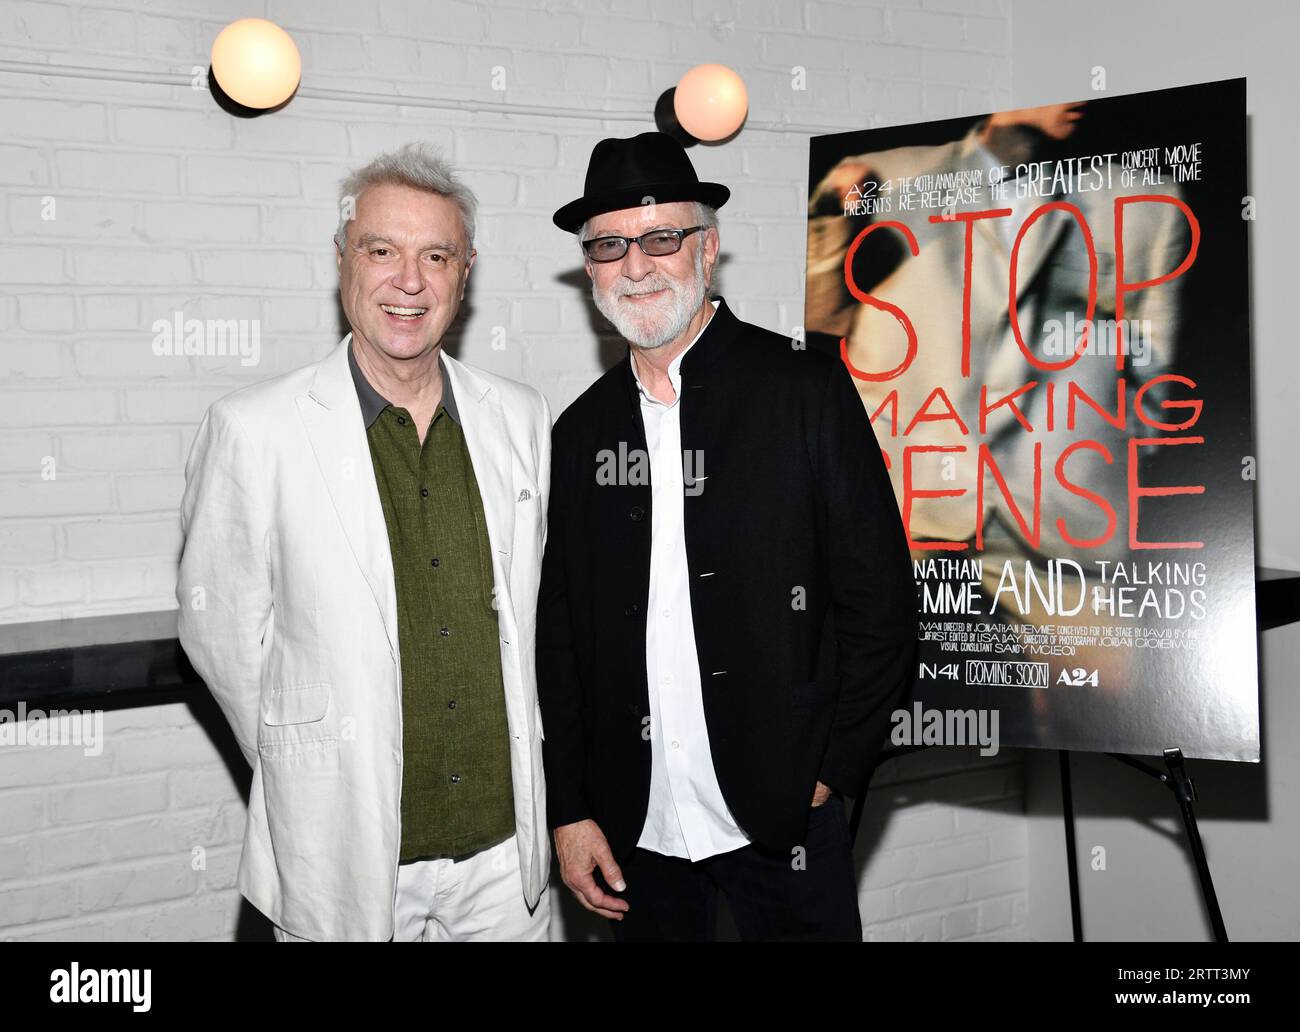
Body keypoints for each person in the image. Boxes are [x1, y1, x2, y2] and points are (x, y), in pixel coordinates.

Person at [538, 131, 917, 941]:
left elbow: (880, 604)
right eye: (609, 245)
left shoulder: (805, 392)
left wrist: (827, 772)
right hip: (634, 831)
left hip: (782, 825)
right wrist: (569, 810)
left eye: (661, 237)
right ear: (589, 268)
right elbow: (562, 642)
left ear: (707, 248)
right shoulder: (579, 433)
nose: (635, 265)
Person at [177, 143, 552, 941]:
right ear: (342, 257)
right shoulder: (254, 429)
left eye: (436, 256)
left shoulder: (519, 417)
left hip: (505, 860)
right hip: (344, 854)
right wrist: (311, 760)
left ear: (466, 270)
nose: (408, 281)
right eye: (382, 250)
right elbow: (223, 636)